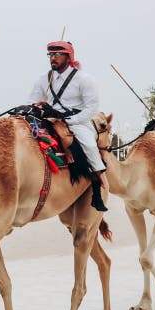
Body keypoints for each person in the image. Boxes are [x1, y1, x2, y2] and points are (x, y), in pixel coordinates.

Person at [27, 41, 108, 211]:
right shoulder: (44, 79)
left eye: (57, 55)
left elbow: (91, 107)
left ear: (68, 56)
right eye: (50, 55)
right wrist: (35, 106)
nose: (53, 59)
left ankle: (97, 191)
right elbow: (31, 100)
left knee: (89, 145)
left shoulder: (84, 79)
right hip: (49, 119)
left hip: (76, 121)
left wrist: (72, 121)